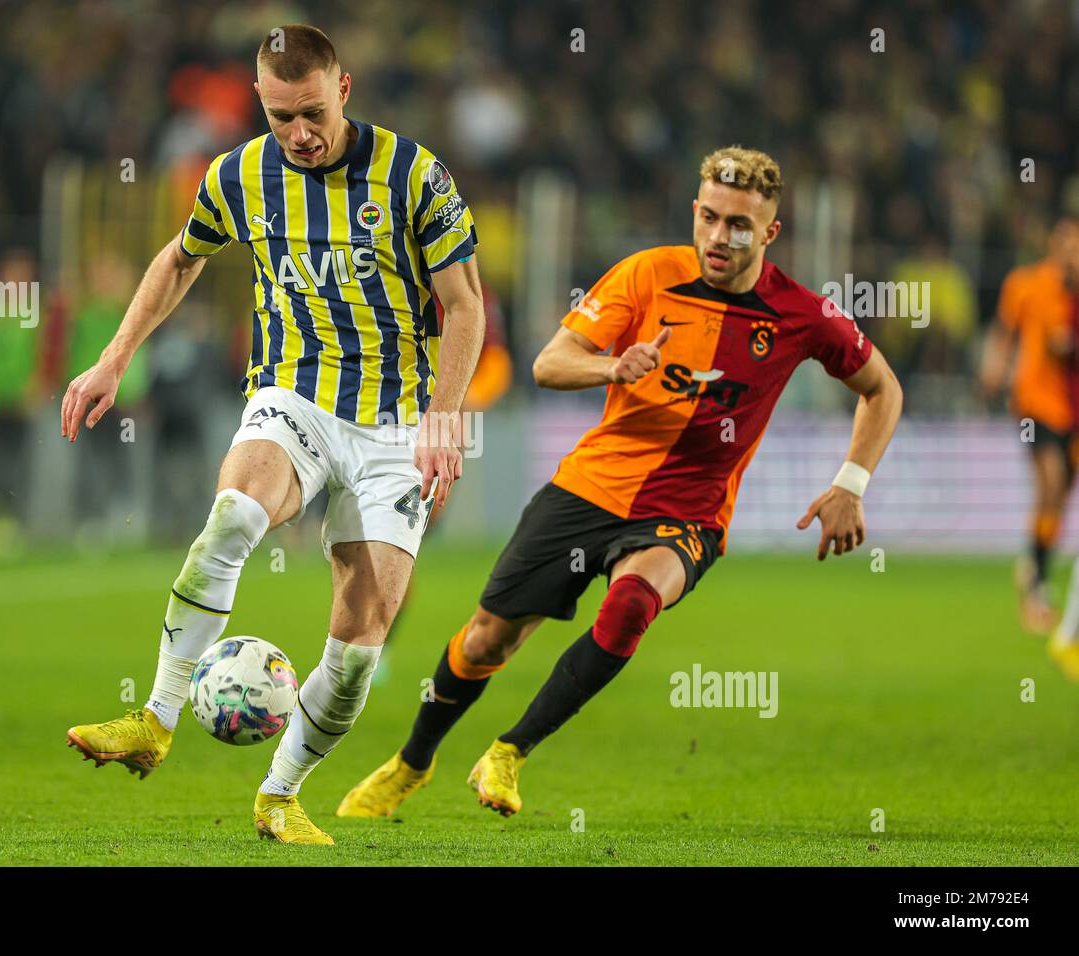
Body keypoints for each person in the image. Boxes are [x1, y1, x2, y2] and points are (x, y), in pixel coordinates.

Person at [337, 146, 903, 819]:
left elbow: (882, 387)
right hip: (588, 489)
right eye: (711, 218)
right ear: (696, 212)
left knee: (633, 603)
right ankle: (413, 762)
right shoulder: (646, 275)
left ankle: (510, 752)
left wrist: (851, 482)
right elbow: (550, 364)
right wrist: (611, 368)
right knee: (491, 637)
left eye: (740, 226)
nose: (721, 237)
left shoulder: (802, 314)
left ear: (770, 233)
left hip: (687, 514)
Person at [59, 24, 485, 845]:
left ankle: (280, 794)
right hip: (292, 394)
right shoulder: (241, 174)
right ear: (261, 101)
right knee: (231, 513)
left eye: (313, 112)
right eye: (281, 115)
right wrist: (115, 359)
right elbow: (180, 257)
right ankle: (155, 716)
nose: (299, 133)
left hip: (396, 423)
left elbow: (464, 302)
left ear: (345, 90)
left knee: (359, 644)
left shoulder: (413, 174)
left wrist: (446, 415)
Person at [981, 216, 1079, 633]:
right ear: (1054, 247)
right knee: (1051, 483)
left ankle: (1034, 565)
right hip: (1035, 402)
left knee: (1057, 499)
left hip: (1073, 409)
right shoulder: (1027, 284)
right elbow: (1005, 331)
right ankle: (1036, 583)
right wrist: (995, 368)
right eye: (1068, 246)